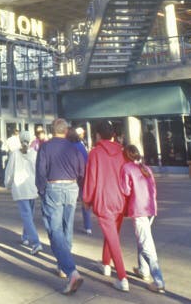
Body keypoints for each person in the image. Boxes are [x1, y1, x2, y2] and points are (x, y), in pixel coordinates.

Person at [35, 118, 85, 295]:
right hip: (71, 187)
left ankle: (71, 270)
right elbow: (82, 170)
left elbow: (41, 171)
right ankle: (64, 266)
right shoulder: (74, 148)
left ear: (53, 130)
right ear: (66, 131)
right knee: (67, 227)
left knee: (54, 230)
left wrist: (42, 191)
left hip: (53, 187)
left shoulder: (46, 147)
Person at [83, 121, 129, 292]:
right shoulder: (122, 152)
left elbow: (91, 178)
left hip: (104, 199)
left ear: (98, 135)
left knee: (112, 238)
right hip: (120, 199)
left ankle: (122, 277)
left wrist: (87, 198)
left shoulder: (95, 153)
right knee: (112, 234)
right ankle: (106, 264)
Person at [120, 144, 166, 293]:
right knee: (143, 238)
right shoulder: (146, 168)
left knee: (146, 244)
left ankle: (158, 280)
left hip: (138, 209)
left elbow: (125, 190)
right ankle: (143, 270)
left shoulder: (127, 168)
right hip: (150, 208)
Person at [4, 130, 42, 255]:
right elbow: (39, 171)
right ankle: (25, 237)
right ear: (31, 141)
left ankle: (35, 242)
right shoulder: (35, 154)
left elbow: (9, 171)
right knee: (29, 215)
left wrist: (7, 184)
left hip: (20, 188)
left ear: (19, 140)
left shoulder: (15, 154)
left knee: (26, 216)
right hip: (32, 187)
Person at [68, 126, 92, 235]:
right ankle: (88, 226)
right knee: (84, 200)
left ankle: (68, 224)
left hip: (72, 176)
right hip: (83, 175)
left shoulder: (67, 147)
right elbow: (86, 159)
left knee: (70, 201)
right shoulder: (81, 145)